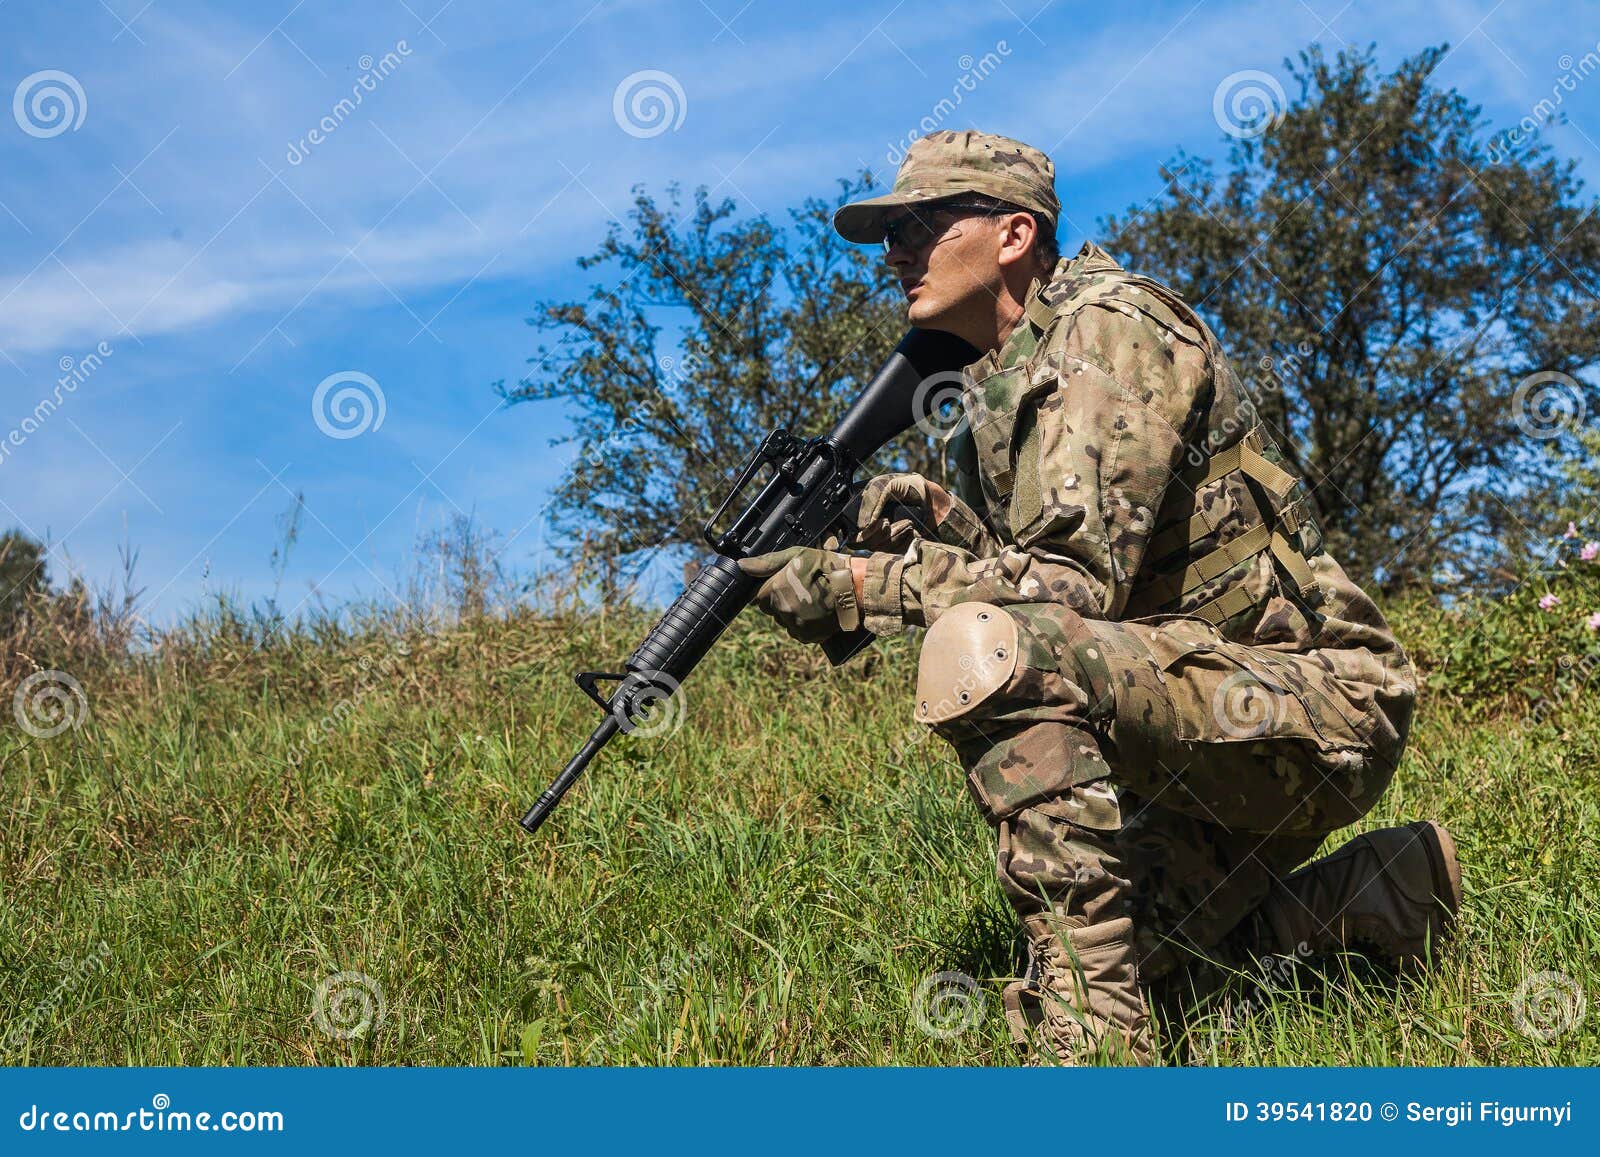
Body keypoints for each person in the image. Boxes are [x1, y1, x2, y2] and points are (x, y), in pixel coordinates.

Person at [737, 130, 1461, 1065]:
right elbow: (1056, 573)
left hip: (1315, 705)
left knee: (988, 647)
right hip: (1193, 709)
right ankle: (1390, 890)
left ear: (1012, 234)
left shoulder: (1106, 330)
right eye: (890, 232)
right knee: (1170, 980)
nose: (896, 251)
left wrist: (863, 588)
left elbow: (1071, 589)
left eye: (920, 223)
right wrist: (915, 519)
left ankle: (1097, 1052)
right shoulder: (996, 384)